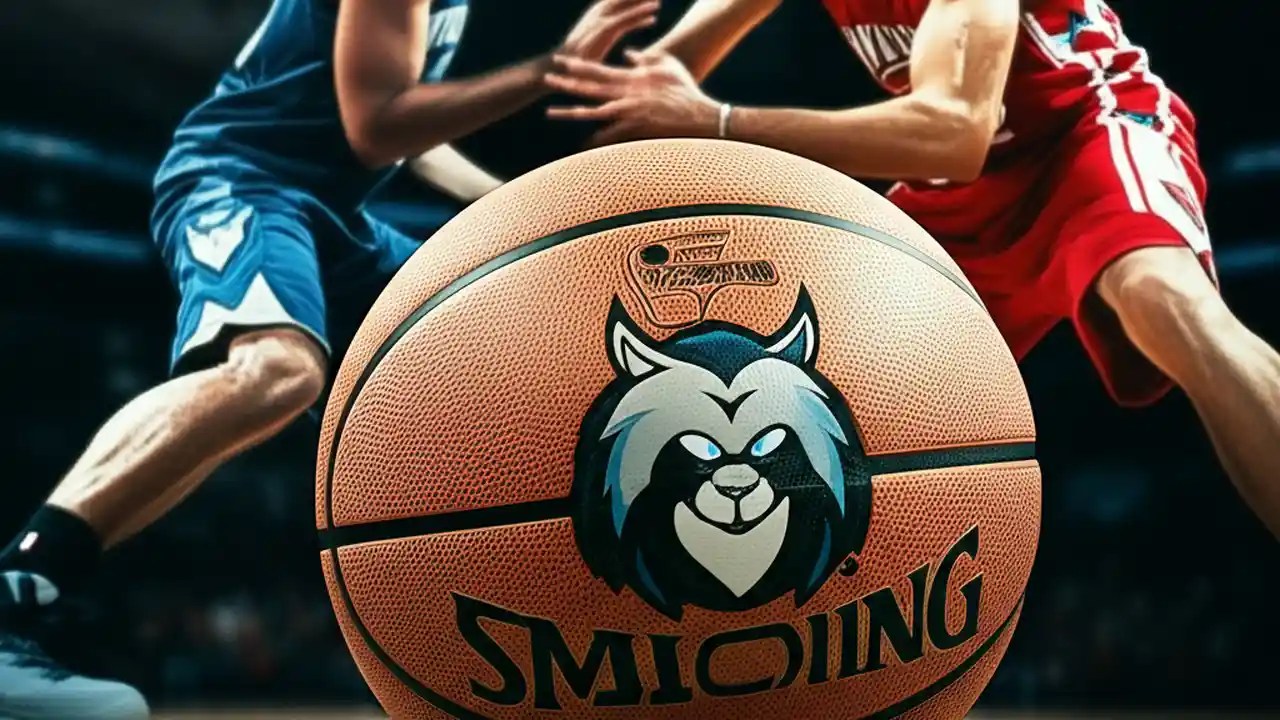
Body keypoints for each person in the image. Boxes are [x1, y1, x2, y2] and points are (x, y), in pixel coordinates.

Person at [0, 0, 659, 716]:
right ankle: (18, 588)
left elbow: (414, 140)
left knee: (519, 357)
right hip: (242, 180)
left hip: (331, 215)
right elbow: (376, 125)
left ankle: (595, 636)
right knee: (276, 369)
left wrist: (522, 211)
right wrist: (552, 71)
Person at [544, 0, 1280, 537]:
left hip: (1084, 133)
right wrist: (588, 72)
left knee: (1163, 299)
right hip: (965, 189)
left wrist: (715, 122)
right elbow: (658, 82)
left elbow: (954, 131)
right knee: (814, 392)